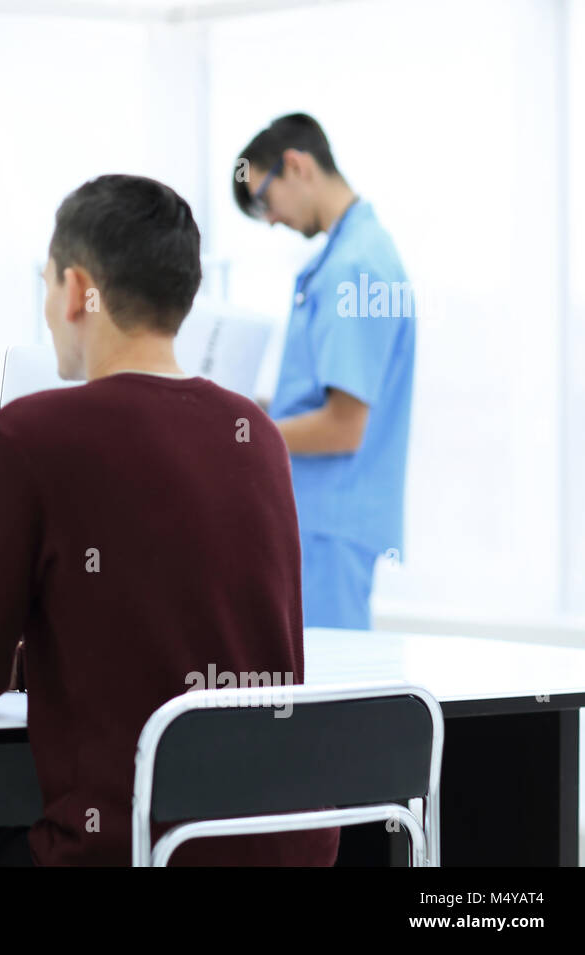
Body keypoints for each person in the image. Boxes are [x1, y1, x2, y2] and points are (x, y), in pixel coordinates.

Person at [0, 174, 339, 867]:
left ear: (77, 288)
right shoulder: (256, 433)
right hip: (282, 849)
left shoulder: (28, 434)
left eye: (48, 285)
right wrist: (26, 661)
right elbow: (162, 647)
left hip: (128, 850)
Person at [234, 113, 416, 630]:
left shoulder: (355, 266)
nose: (268, 219)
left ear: (296, 165)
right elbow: (320, 400)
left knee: (324, 699)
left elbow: (342, 425)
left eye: (262, 200)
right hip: (324, 522)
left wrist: (238, 436)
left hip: (327, 527)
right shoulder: (355, 254)